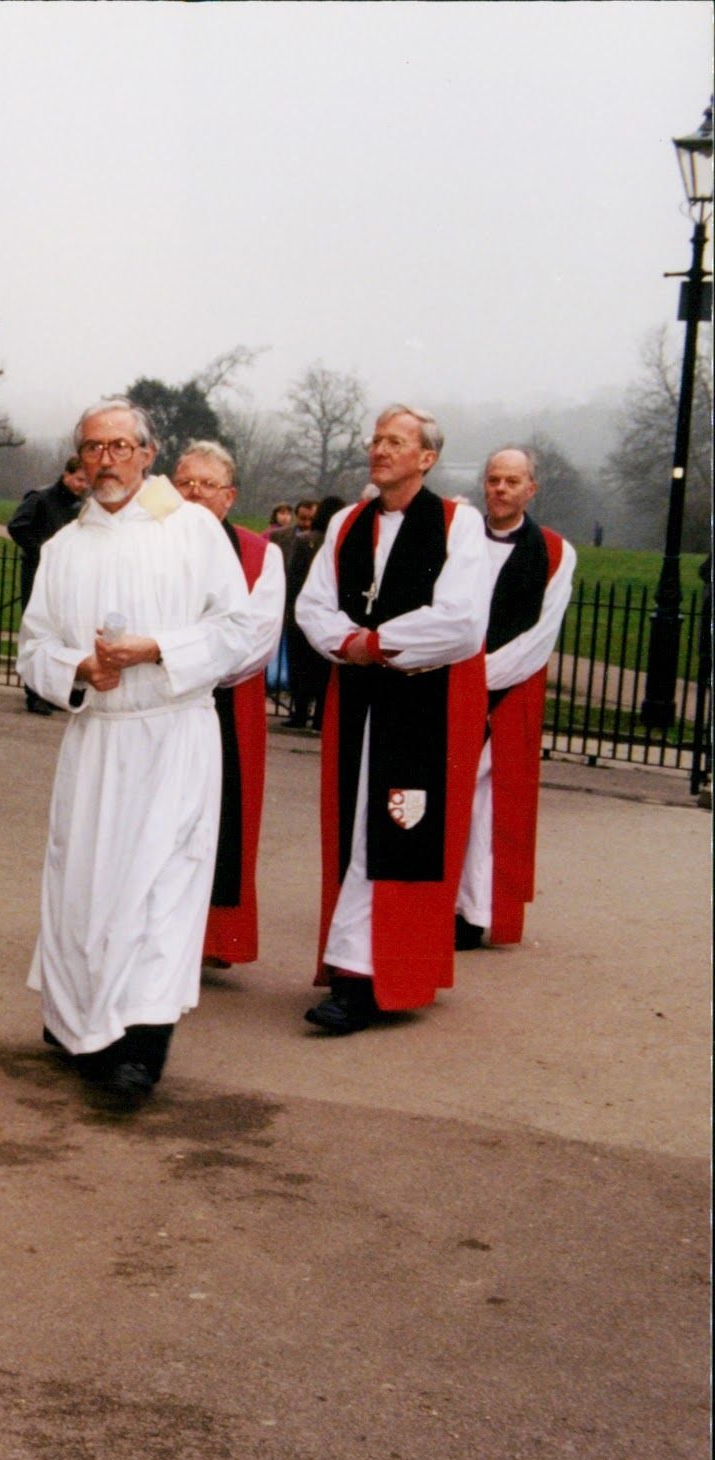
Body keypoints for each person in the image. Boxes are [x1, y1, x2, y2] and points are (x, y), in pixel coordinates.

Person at [16, 399, 255, 1101]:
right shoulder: (64, 548)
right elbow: (33, 649)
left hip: (172, 735)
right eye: (93, 447)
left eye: (121, 446)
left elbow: (238, 631)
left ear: (149, 454)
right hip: (98, 740)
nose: (107, 460)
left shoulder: (193, 531)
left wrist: (159, 648)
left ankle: (141, 1046)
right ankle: (79, 1022)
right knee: (84, 888)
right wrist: (79, 669)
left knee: (160, 890)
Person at [295, 405, 489, 1034]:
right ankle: (355, 972)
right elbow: (313, 605)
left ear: (426, 458)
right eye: (376, 440)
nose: (379, 450)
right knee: (356, 827)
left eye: (396, 442)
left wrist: (378, 644)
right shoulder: (347, 523)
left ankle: (373, 978)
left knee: (398, 830)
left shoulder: (459, 524)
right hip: (358, 701)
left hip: (419, 701)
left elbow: (462, 620)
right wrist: (347, 644)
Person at [455, 447, 575, 950]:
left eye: (511, 481)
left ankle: (473, 911)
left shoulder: (556, 552)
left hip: (506, 693)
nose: (500, 489)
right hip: (449, 685)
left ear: (531, 489)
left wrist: (475, 679)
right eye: (493, 479)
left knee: (487, 805)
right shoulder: (458, 536)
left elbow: (539, 639)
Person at [172, 441, 283, 969]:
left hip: (227, 700)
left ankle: (214, 938)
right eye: (184, 482)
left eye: (207, 484)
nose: (194, 493)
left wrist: (182, 666)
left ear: (229, 497)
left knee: (221, 822)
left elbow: (256, 640)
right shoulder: (151, 544)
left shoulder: (262, 555)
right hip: (162, 702)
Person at [8, 455, 85, 713]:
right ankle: (34, 693)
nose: (83, 485)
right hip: (38, 573)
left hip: (66, 577)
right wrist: (42, 552)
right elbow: (17, 526)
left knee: (63, 632)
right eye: (79, 480)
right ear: (66, 475)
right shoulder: (40, 498)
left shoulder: (81, 505)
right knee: (37, 632)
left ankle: (55, 691)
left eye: (86, 481)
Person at [281, 498, 334, 730]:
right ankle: (321, 716)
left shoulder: (304, 541)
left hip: (301, 614)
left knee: (300, 666)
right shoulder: (337, 542)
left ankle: (300, 713)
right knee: (323, 668)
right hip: (330, 615)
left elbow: (293, 577)